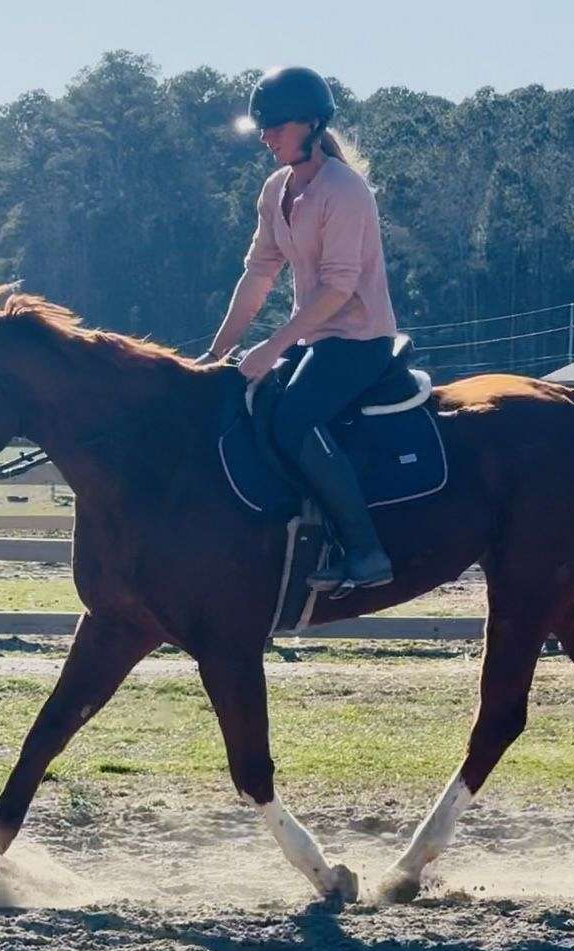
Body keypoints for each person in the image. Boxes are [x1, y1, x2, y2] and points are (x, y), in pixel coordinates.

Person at [208, 66, 398, 594]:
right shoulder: (276, 190)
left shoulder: (345, 191)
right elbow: (258, 274)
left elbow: (338, 289)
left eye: (275, 126)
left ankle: (364, 549)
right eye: (263, 128)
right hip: (315, 340)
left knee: (293, 420)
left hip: (360, 341)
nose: (266, 137)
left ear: (311, 124)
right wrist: (215, 354)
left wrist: (271, 347)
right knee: (245, 400)